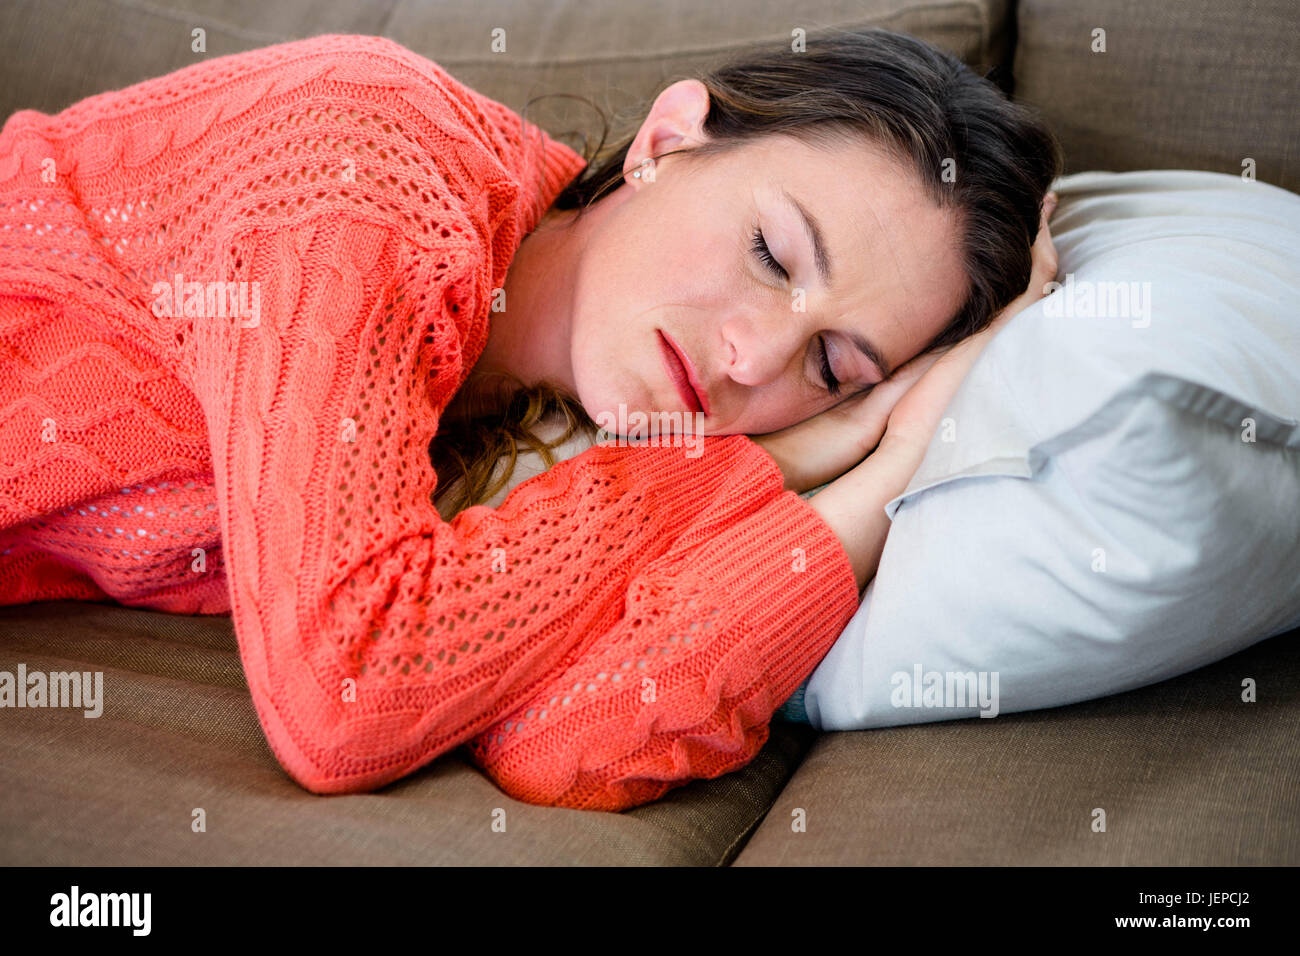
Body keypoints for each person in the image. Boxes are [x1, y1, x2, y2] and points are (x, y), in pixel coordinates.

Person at [0, 30, 1059, 811]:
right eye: (771, 254)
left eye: (832, 365)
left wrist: (891, 473)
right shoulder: (372, 167)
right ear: (666, 139)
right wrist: (777, 460)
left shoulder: (589, 428)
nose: (751, 357)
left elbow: (573, 741)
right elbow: (347, 692)